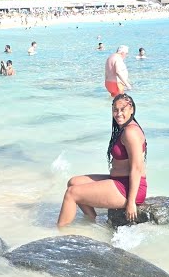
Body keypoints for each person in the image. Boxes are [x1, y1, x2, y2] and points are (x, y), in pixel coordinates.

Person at [57, 93, 147, 229]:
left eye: (123, 109)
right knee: (73, 182)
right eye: (115, 110)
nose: (119, 113)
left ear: (132, 109)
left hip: (128, 188)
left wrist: (131, 202)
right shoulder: (125, 129)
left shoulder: (131, 132)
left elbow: (137, 168)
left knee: (72, 194)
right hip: (120, 181)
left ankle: (59, 233)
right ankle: (92, 221)